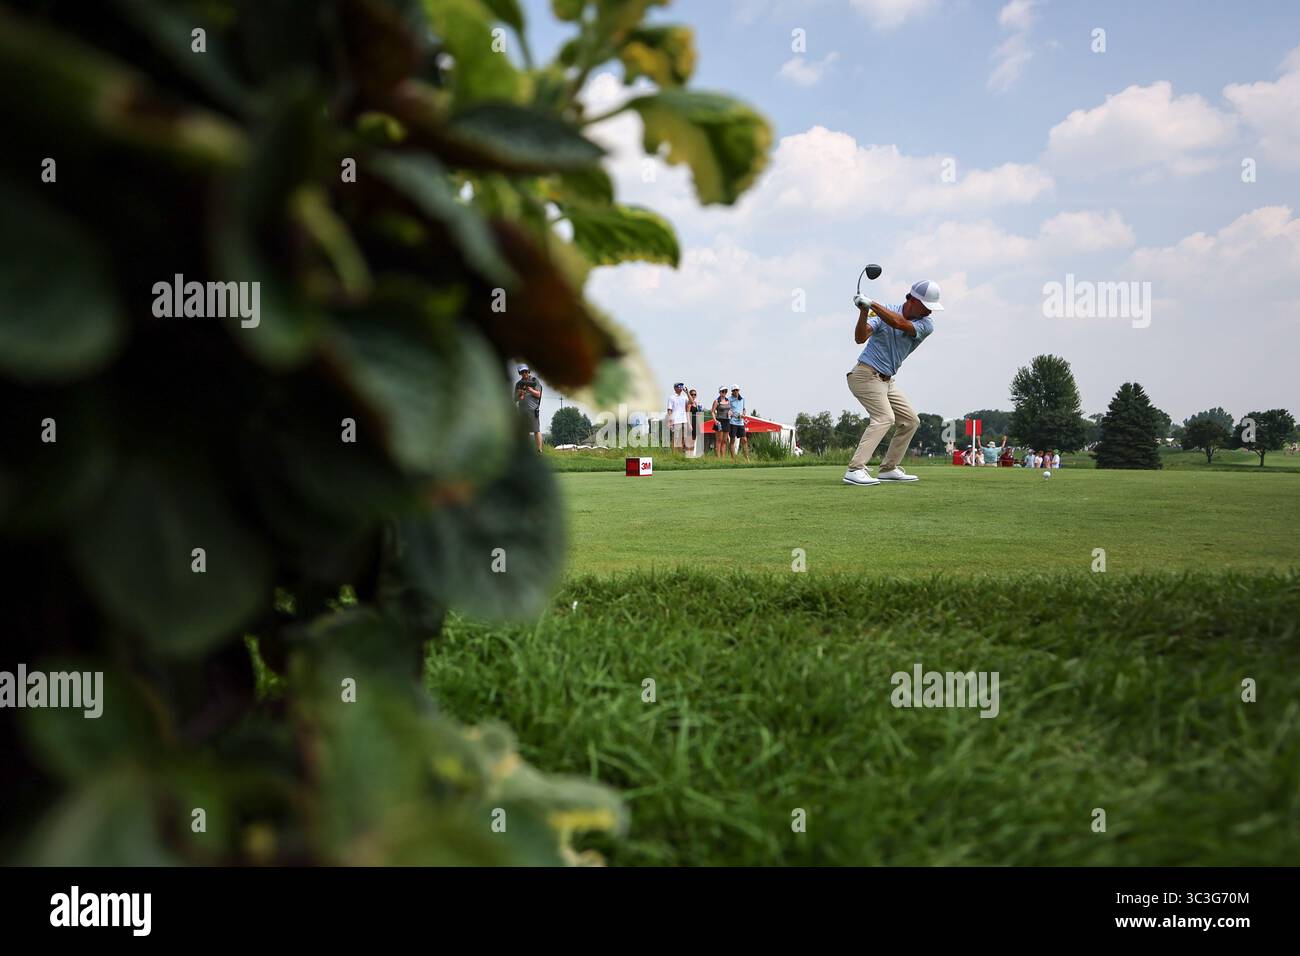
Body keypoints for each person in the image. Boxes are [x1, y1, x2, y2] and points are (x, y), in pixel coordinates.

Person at [842, 279, 942, 485]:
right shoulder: (882, 312)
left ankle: (888, 469)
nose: (930, 312)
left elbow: (899, 323)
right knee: (884, 418)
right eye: (927, 307)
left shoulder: (926, 324)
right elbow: (860, 338)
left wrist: (871, 304)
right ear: (913, 300)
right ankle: (855, 469)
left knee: (910, 421)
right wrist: (863, 311)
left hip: (887, 381)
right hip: (865, 375)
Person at [513, 364, 543, 453]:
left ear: (528, 371)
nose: (524, 373)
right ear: (520, 373)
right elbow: (515, 399)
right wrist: (520, 393)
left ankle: (539, 450)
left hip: (533, 410)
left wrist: (530, 390)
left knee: (536, 430)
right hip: (522, 411)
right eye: (522, 372)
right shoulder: (518, 384)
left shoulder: (534, 381)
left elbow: (538, 394)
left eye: (526, 371)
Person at [666, 382, 690, 454]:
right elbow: (669, 410)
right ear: (675, 388)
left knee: (683, 438)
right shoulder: (671, 397)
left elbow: (691, 402)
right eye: (679, 386)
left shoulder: (685, 397)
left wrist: (687, 392)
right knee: (675, 438)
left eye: (681, 386)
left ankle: (680, 453)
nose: (681, 388)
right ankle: (674, 454)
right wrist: (670, 421)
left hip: (684, 420)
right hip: (675, 420)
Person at [728, 385, 750, 461]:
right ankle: (734, 460)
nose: (735, 392)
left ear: (738, 390)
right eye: (734, 390)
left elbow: (744, 409)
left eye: (737, 390)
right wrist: (732, 413)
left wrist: (743, 414)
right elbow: (729, 410)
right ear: (732, 392)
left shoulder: (743, 399)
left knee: (744, 440)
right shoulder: (729, 399)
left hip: (740, 423)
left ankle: (747, 459)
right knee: (732, 441)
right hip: (732, 422)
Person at [711, 386, 731, 458]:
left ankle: (723, 458)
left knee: (725, 441)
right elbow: (712, 412)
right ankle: (718, 458)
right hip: (719, 421)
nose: (724, 393)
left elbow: (730, 410)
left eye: (725, 391)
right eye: (723, 391)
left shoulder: (728, 400)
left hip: (727, 421)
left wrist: (730, 412)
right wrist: (715, 420)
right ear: (719, 392)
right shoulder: (717, 401)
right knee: (719, 440)